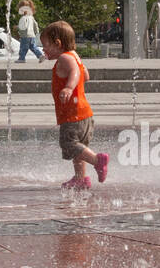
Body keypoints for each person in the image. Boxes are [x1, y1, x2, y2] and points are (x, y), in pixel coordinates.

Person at [39, 20, 110, 190]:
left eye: (46, 45)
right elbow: (85, 75)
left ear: (57, 43)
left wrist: (69, 87)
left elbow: (76, 72)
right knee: (79, 150)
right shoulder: (74, 56)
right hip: (85, 114)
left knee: (69, 144)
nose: (43, 49)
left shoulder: (64, 58)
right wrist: (74, 82)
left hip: (73, 115)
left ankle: (97, 161)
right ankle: (81, 178)